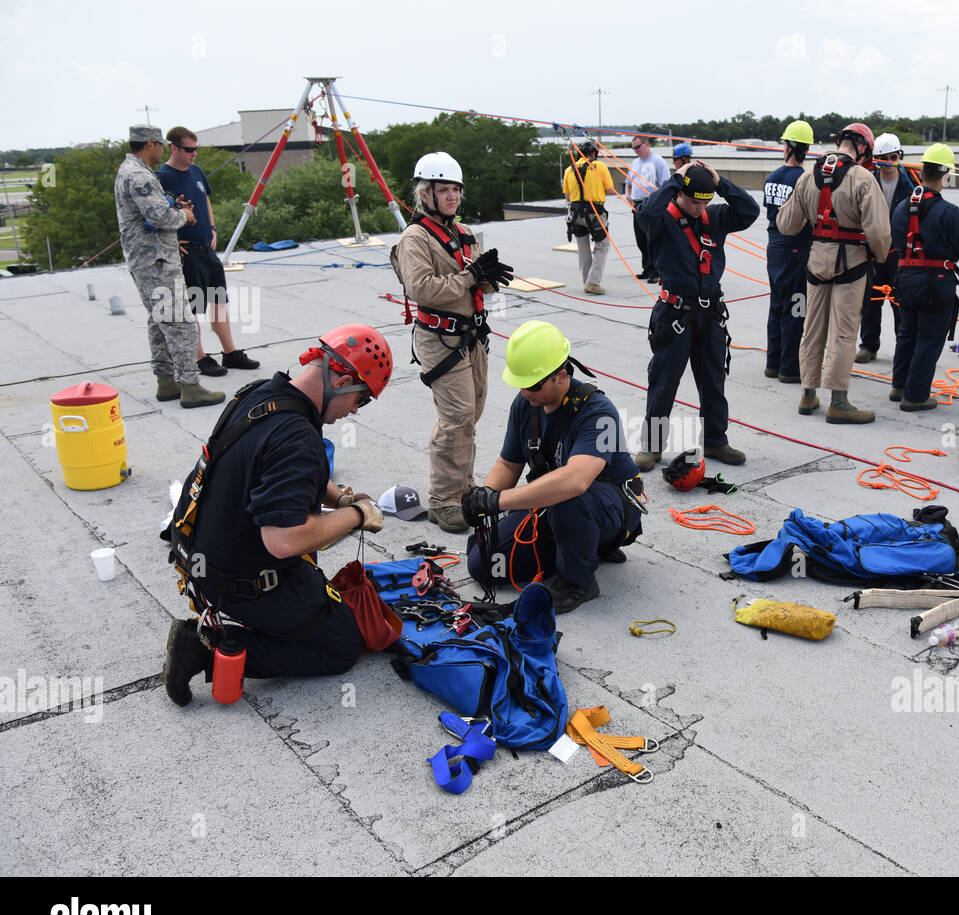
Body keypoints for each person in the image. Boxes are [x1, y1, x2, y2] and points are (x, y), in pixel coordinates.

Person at [162, 324, 393, 706]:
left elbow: (281, 477)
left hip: (198, 563)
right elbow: (283, 540)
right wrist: (356, 516)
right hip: (238, 585)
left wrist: (339, 499)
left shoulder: (261, 395)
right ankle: (205, 647)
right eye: (361, 398)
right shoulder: (299, 438)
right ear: (340, 377)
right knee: (342, 644)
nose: (355, 409)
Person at [461, 320, 643, 614]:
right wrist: (485, 496)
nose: (524, 393)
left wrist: (500, 501)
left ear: (560, 374)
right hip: (556, 508)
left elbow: (576, 481)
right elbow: (509, 463)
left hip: (609, 509)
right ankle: (575, 548)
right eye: (519, 383)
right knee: (484, 565)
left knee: (567, 495)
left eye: (532, 385)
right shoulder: (525, 406)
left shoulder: (598, 413)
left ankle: (578, 581)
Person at [390, 151, 512, 533]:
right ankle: (444, 500)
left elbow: (478, 280)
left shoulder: (465, 234)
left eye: (456, 190)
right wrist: (470, 276)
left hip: (472, 336)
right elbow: (420, 287)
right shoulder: (416, 238)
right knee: (456, 418)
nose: (452, 197)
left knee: (470, 416)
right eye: (443, 190)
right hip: (440, 340)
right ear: (425, 194)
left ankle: (463, 487)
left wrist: (487, 277)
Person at [633, 161, 759, 469]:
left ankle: (716, 441)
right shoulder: (662, 219)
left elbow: (749, 211)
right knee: (664, 382)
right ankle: (651, 446)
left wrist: (721, 182)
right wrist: (675, 179)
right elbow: (644, 214)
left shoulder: (714, 217)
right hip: (675, 314)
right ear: (679, 194)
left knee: (713, 380)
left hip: (710, 313)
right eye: (693, 200)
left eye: (705, 200)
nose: (699, 206)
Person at [776, 123, 891, 424]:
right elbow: (879, 231)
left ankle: (808, 394)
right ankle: (838, 402)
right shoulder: (863, 179)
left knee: (812, 328)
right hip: (851, 265)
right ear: (864, 148)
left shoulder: (807, 176)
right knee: (843, 332)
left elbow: (786, 224)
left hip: (816, 262)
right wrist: (879, 256)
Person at [113, 124, 224, 408]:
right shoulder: (139, 175)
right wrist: (184, 215)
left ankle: (166, 382)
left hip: (149, 258)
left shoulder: (132, 170)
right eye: (159, 145)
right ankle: (190, 386)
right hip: (156, 260)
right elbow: (160, 218)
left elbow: (152, 213)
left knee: (159, 322)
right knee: (180, 323)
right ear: (150, 144)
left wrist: (172, 207)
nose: (161, 149)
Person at [155, 125, 261, 379]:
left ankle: (230, 352)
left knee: (219, 301)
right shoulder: (162, 177)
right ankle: (199, 356)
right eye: (189, 149)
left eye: (195, 149)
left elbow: (205, 201)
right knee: (194, 307)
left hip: (206, 246)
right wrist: (171, 241)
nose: (194, 154)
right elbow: (156, 215)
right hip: (186, 252)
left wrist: (212, 227)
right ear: (174, 148)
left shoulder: (196, 171)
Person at [889, 143, 959, 411]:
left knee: (907, 333)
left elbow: (897, 242)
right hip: (936, 283)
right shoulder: (948, 211)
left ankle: (899, 386)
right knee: (929, 338)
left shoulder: (902, 208)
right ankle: (915, 396)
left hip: (905, 278)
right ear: (945, 174)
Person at [762, 120, 814, 384]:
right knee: (796, 309)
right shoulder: (804, 180)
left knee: (776, 305)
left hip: (775, 249)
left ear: (788, 146)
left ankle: (773, 363)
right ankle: (789, 368)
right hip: (797, 251)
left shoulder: (772, 178)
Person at [856, 132, 913, 364]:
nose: (888, 162)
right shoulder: (867, 180)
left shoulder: (912, 181)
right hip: (873, 250)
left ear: (899, 156)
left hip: (899, 252)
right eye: (882, 158)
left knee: (900, 302)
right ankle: (868, 345)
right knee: (871, 299)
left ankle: (904, 345)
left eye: (893, 157)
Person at [562, 140, 616, 295]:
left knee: (583, 247)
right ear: (593, 154)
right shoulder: (600, 167)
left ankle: (587, 281)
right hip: (594, 212)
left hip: (575, 213)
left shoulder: (569, 170)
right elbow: (610, 189)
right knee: (603, 245)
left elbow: (567, 196)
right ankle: (592, 283)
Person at [625, 134, 672, 283]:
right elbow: (629, 182)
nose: (636, 150)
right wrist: (628, 195)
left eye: (638, 147)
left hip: (651, 204)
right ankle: (647, 268)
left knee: (652, 238)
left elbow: (665, 185)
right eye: (634, 148)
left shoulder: (658, 161)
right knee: (641, 238)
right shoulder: (635, 163)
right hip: (637, 204)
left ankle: (656, 271)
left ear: (646, 144)